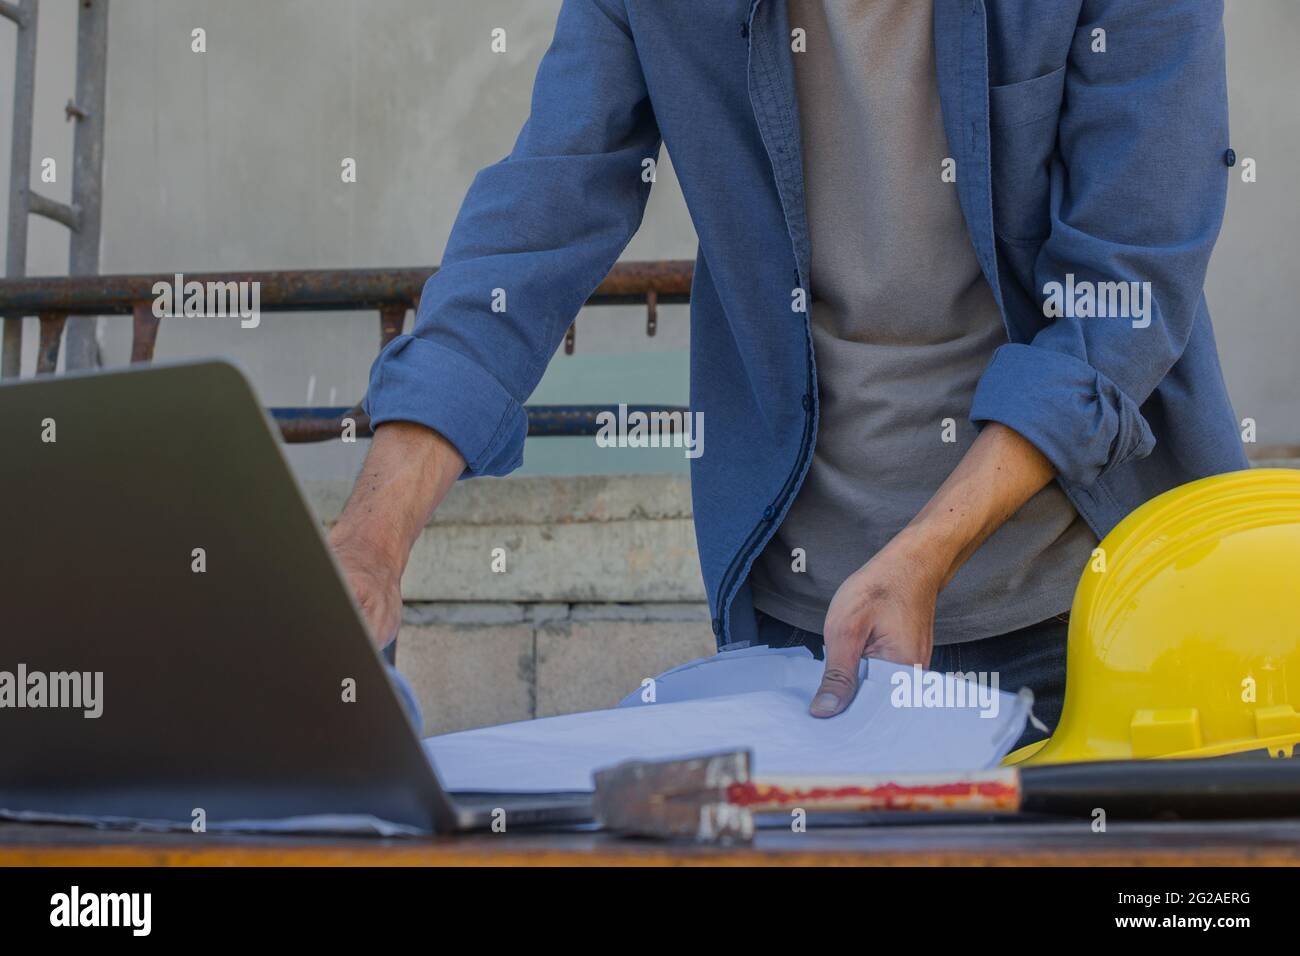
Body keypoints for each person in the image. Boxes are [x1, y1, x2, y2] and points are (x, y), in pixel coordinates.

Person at [328, 0, 1245, 744]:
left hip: (1097, 614)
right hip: (806, 638)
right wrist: (372, 540)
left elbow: (1126, 284)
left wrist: (927, 550)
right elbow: (535, 221)